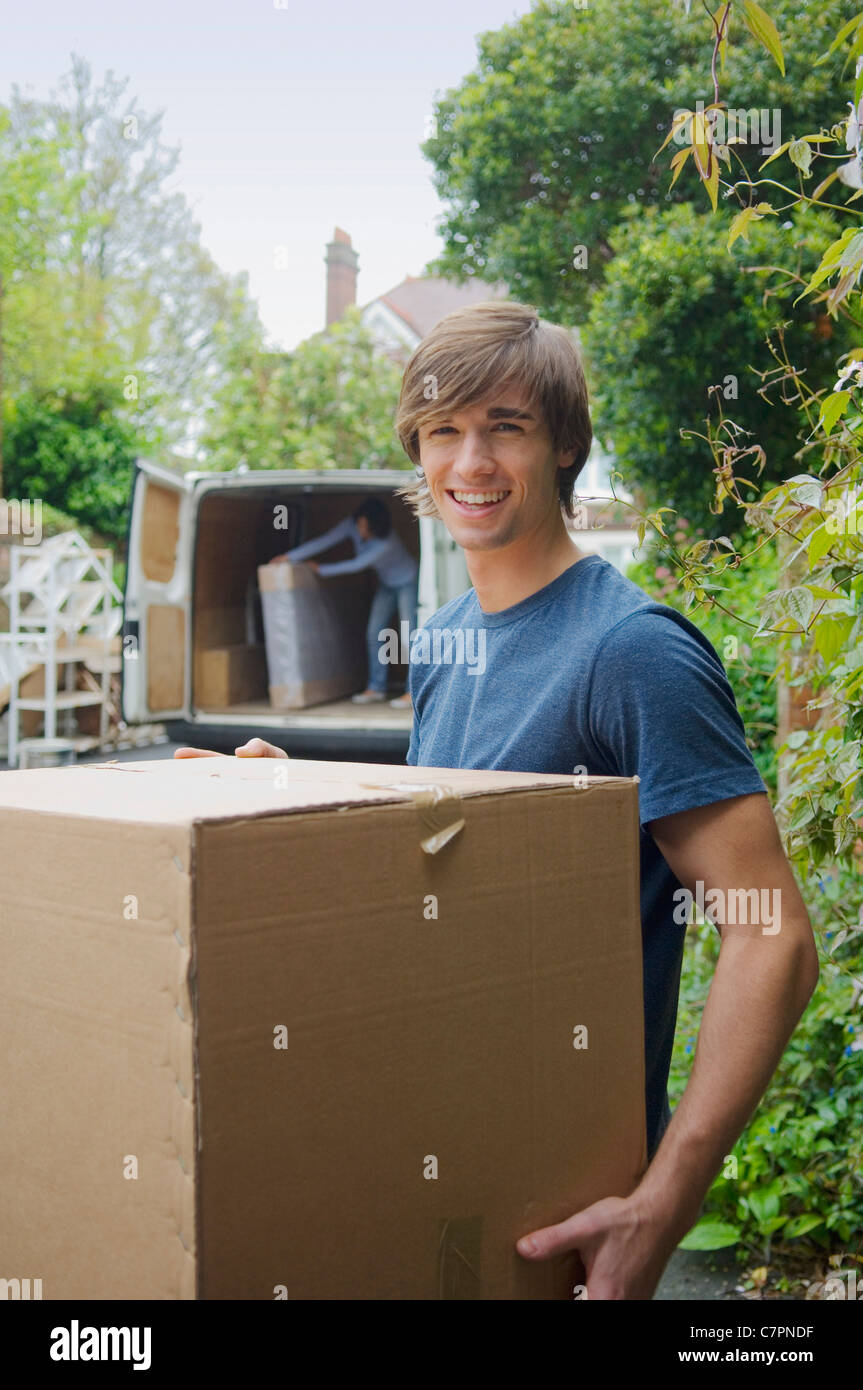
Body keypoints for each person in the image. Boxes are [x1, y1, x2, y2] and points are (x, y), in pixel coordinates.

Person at [176, 299, 819, 1301]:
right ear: (417, 453)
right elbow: (447, 844)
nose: (468, 460)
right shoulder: (443, 638)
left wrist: (662, 1203)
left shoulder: (632, 652)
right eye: (442, 431)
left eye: (503, 427)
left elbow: (771, 932)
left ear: (564, 443)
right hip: (423, 1163)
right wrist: (290, 798)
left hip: (550, 1216)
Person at [271, 497, 418, 708]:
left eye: (364, 525)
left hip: (406, 581)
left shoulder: (386, 542)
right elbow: (325, 540)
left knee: (408, 636)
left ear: (375, 525)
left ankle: (412, 693)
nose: (359, 530)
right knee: (374, 633)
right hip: (387, 584)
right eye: (358, 523)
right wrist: (289, 557)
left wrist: (320, 569)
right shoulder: (353, 524)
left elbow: (356, 565)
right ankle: (376, 687)